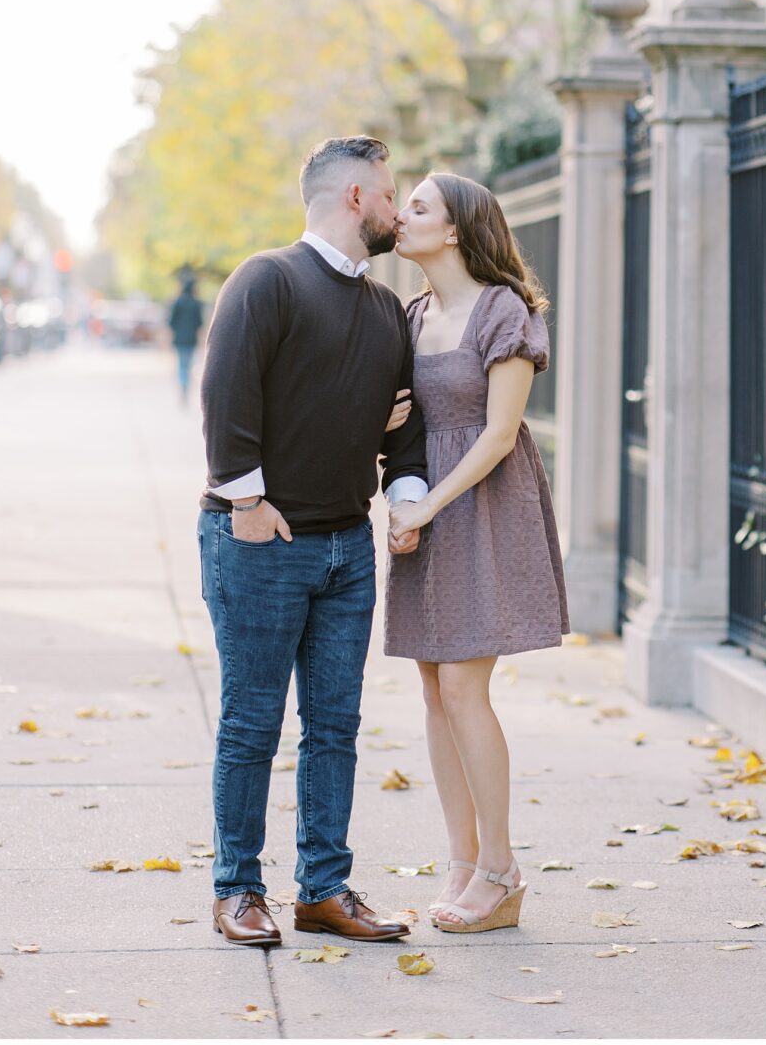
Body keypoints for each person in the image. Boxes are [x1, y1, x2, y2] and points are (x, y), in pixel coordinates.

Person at [197, 136, 428, 949]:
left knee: (335, 725)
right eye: (392, 194)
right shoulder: (269, 278)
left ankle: (323, 890)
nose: (400, 211)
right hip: (261, 540)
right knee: (253, 722)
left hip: (347, 547)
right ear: (357, 196)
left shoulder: (385, 309)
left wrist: (403, 502)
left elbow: (405, 429)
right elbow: (226, 394)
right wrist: (249, 503)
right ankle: (238, 890)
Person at [384, 172, 569, 934]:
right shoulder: (411, 312)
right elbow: (399, 424)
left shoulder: (504, 311)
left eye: (419, 206)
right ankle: (461, 858)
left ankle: (500, 869)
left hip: (484, 509)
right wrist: (401, 497)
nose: (402, 215)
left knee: (463, 686)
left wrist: (429, 502)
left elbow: (498, 435)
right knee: (432, 688)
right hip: (426, 511)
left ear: (457, 228)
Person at [168, 274, 204, 401]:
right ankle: (186, 384)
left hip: (179, 339)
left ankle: (183, 384)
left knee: (181, 364)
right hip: (191, 339)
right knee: (188, 363)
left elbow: (171, 322)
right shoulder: (197, 304)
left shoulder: (178, 302)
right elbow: (200, 323)